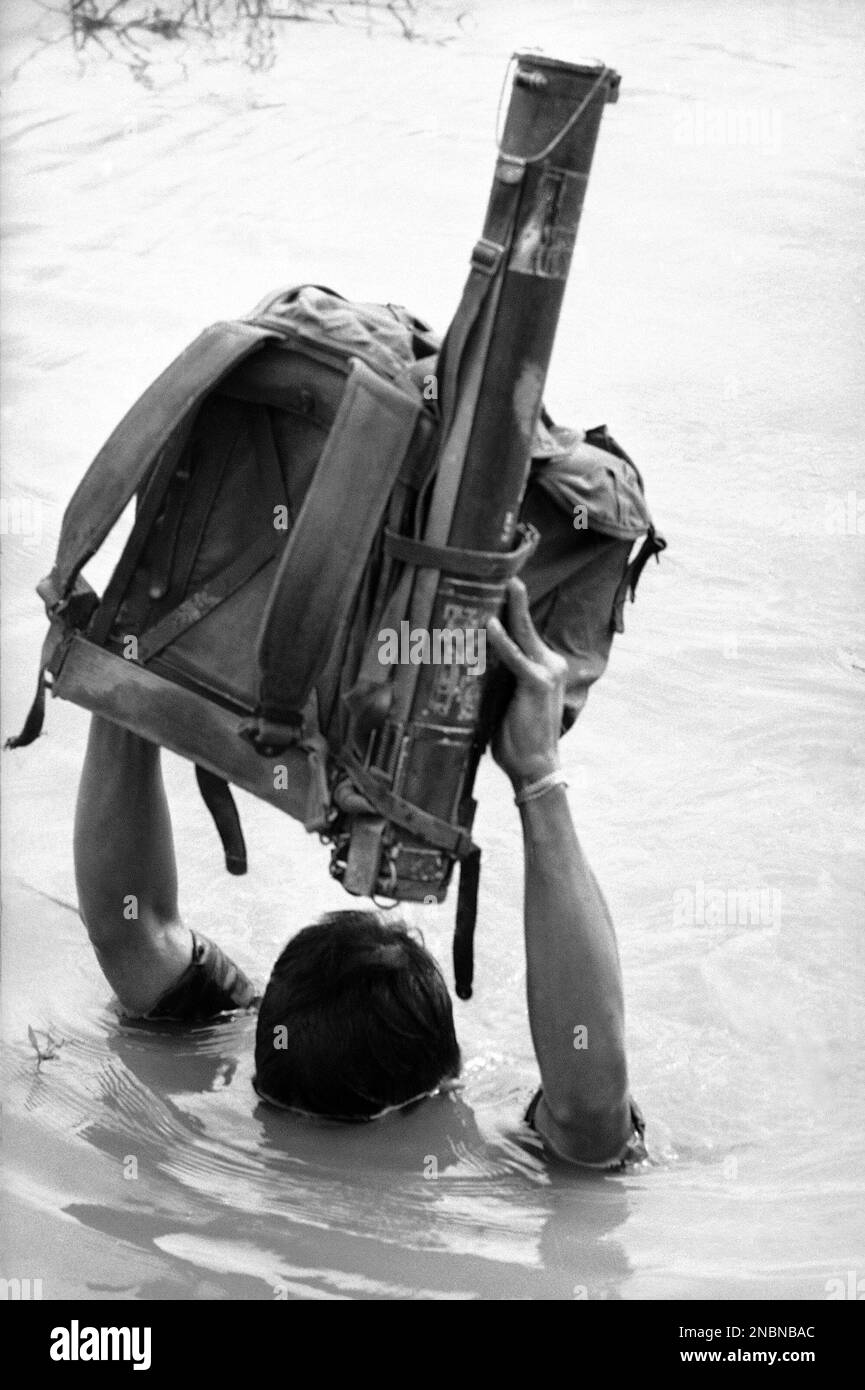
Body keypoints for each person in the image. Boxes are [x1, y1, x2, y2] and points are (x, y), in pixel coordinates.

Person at [74, 576, 646, 1170]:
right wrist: (538, 773)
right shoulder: (491, 1167)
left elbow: (130, 929)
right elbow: (590, 1118)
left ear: (260, 1057)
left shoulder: (216, 1108)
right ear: (451, 1084)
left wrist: (125, 666)